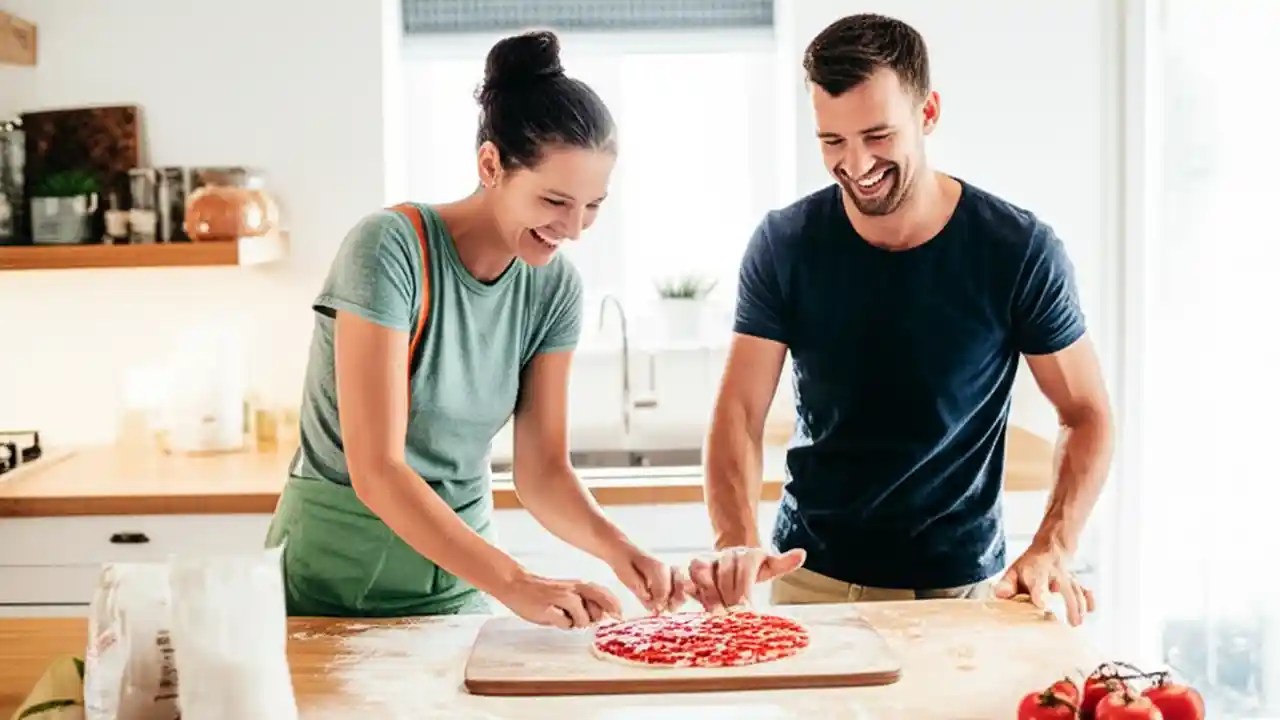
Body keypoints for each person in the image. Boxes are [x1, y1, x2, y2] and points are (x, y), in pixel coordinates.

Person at [685, 13, 1114, 627]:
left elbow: (1088, 413)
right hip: (809, 581)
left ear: (928, 114)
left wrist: (1055, 545)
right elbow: (738, 413)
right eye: (832, 141)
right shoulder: (786, 243)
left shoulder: (1016, 250)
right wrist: (735, 539)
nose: (855, 163)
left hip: (961, 593)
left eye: (877, 135)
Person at [265, 29, 687, 628]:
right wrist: (516, 582)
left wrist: (624, 552)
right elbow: (377, 468)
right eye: (554, 201)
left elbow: (541, 471)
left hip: (456, 586)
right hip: (330, 586)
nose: (574, 229)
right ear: (491, 165)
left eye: (593, 206)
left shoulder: (553, 286)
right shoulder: (388, 250)